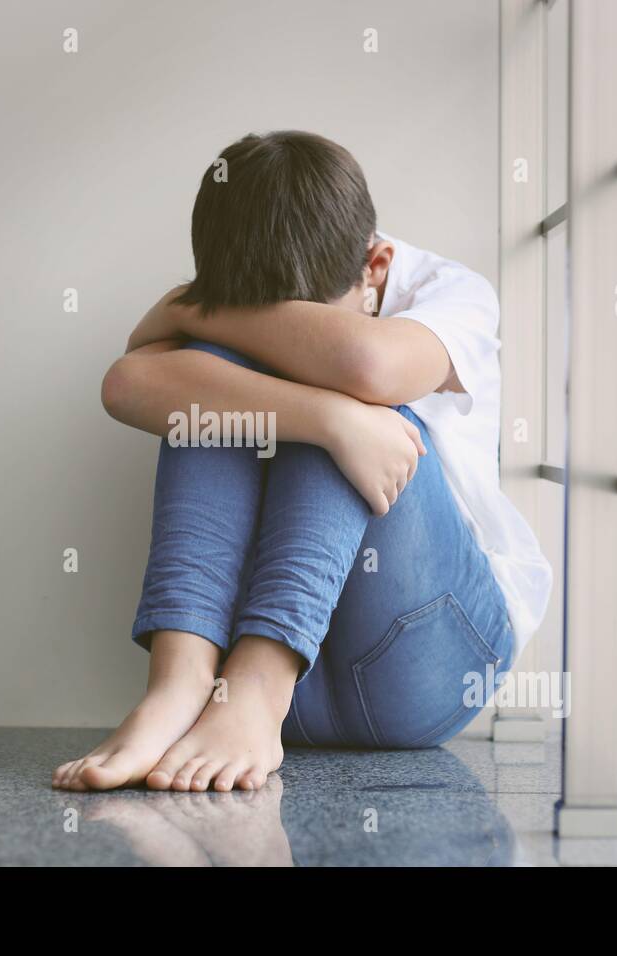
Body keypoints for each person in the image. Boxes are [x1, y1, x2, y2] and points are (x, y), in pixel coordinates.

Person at [53, 130, 551, 793]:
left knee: (361, 401)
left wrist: (195, 310)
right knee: (213, 387)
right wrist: (327, 419)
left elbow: (366, 365)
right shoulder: (272, 282)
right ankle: (179, 681)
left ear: (376, 267)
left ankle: (260, 683)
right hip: (253, 698)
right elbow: (126, 384)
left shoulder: (449, 292)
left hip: (428, 660)